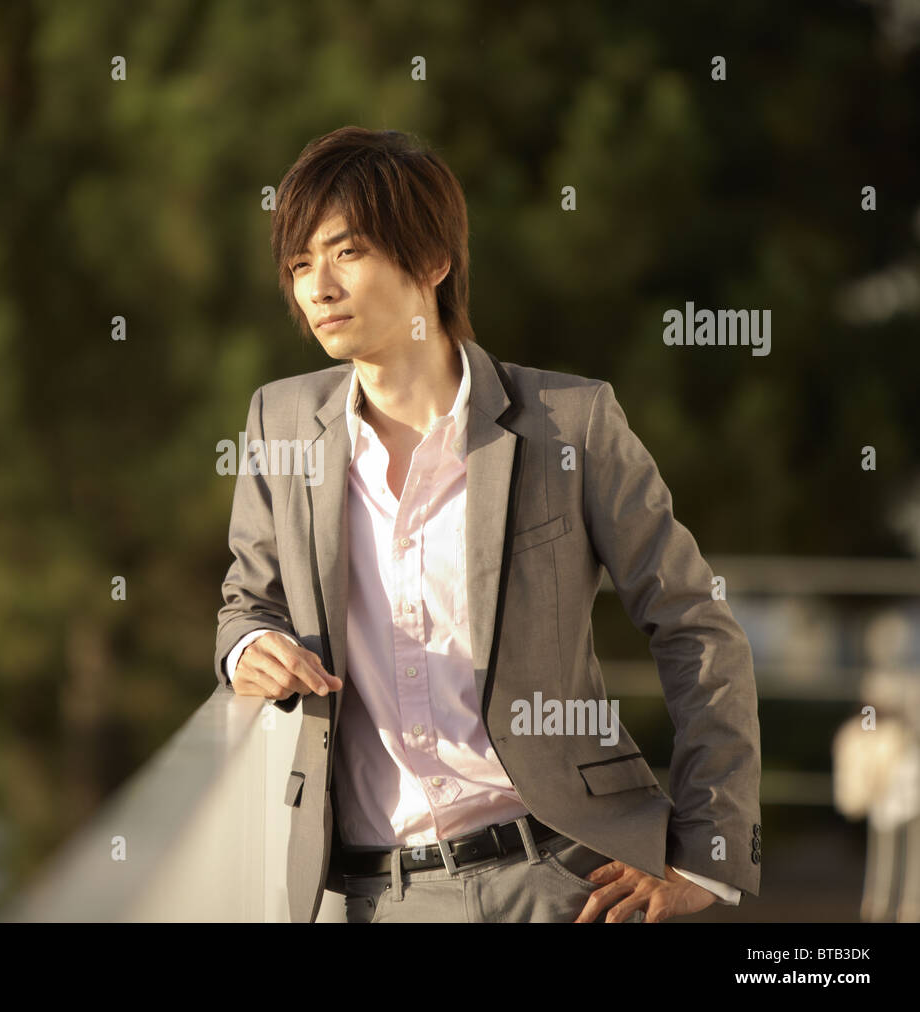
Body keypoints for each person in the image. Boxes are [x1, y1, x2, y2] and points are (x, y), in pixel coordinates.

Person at [214, 126, 761, 923]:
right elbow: (245, 601)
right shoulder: (283, 422)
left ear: (432, 261)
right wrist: (247, 650)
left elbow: (694, 624)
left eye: (346, 253)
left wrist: (706, 853)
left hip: (568, 877)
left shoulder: (568, 423)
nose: (317, 289)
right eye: (299, 265)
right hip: (376, 895)